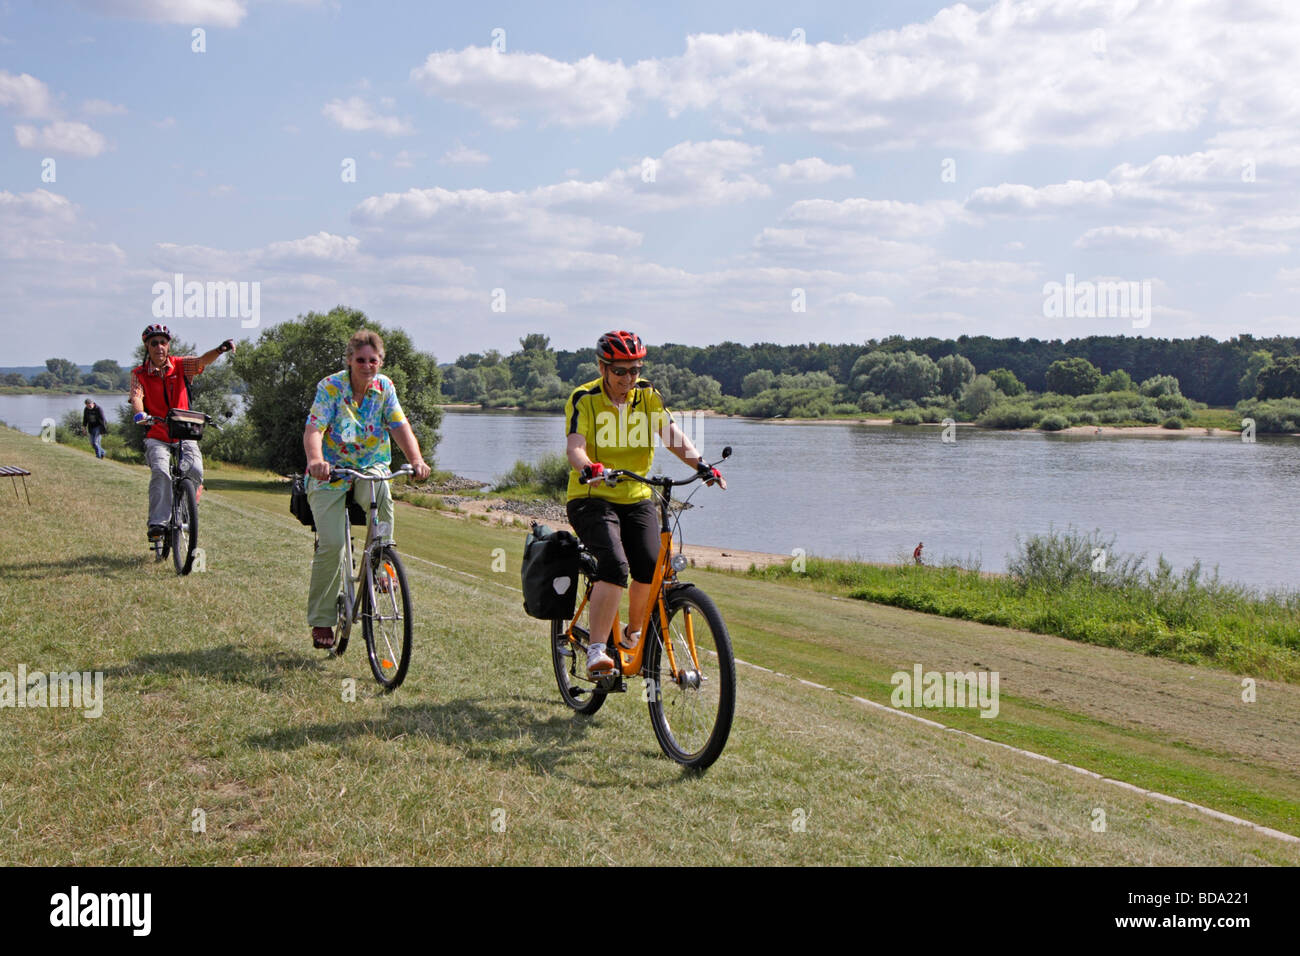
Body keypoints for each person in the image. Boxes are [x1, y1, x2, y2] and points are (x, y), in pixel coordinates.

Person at [564, 330, 725, 678]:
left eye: (634, 370)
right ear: (603, 368)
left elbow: (670, 434)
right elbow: (575, 446)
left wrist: (701, 465)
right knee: (614, 564)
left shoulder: (647, 395)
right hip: (592, 497)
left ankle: (634, 635)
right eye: (620, 370)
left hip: (636, 496)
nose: (628, 378)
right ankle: (595, 650)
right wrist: (588, 467)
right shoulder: (585, 398)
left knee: (652, 567)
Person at [303, 329, 431, 649]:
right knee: (332, 545)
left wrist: (416, 459)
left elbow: (399, 425)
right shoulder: (331, 387)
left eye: (373, 360)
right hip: (331, 471)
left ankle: (380, 563)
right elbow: (314, 428)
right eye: (360, 360)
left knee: (382, 491)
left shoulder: (384, 387)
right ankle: (322, 621)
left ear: (380, 361)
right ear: (349, 360)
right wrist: (316, 460)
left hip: (369, 465)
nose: (367, 366)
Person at [129, 324, 235, 541]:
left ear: (168, 346)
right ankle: (158, 523)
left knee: (195, 469)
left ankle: (188, 508)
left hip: (184, 431)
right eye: (154, 343)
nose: (159, 347)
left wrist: (221, 349)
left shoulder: (180, 365)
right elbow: (136, 396)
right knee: (161, 471)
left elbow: (201, 362)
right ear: (147, 347)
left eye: (163, 342)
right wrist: (140, 414)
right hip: (157, 433)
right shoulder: (139, 374)